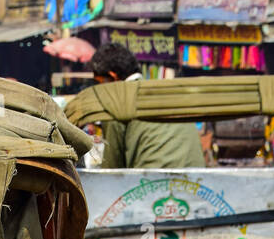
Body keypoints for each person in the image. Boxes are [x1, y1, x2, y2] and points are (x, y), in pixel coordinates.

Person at [88, 42, 206, 170]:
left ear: (113, 77)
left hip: (151, 182)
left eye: (99, 83)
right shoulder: (162, 92)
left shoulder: (118, 104)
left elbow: (112, 169)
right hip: (196, 180)